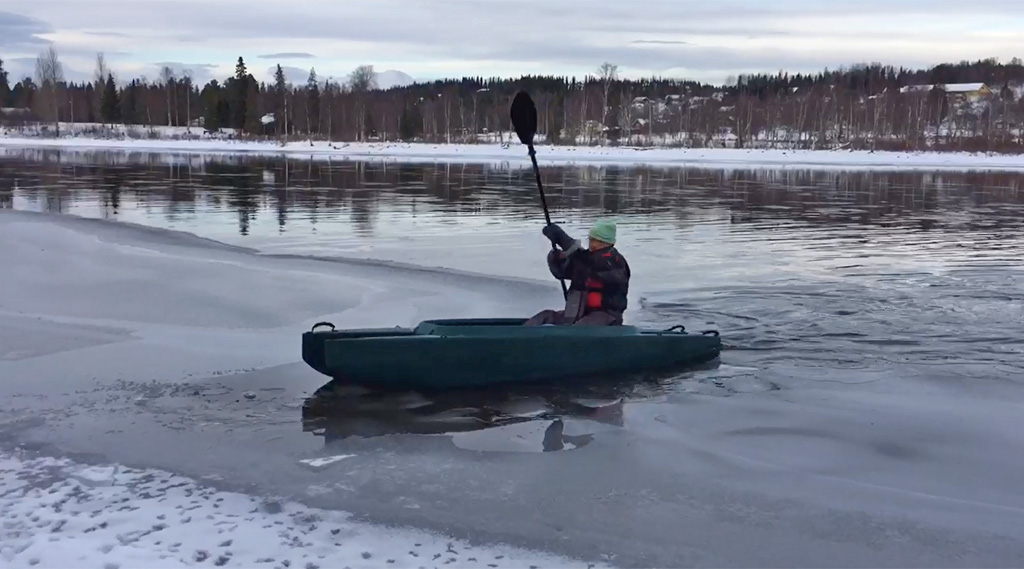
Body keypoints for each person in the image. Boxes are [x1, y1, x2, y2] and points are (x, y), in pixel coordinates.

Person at [524, 219, 630, 326]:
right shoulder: (586, 259)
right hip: (578, 313)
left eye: (599, 241)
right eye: (591, 240)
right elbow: (563, 273)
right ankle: (522, 335)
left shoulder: (614, 261)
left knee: (577, 330)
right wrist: (558, 260)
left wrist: (562, 239)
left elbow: (591, 264)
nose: (593, 245)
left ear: (610, 243)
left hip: (606, 317)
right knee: (545, 316)